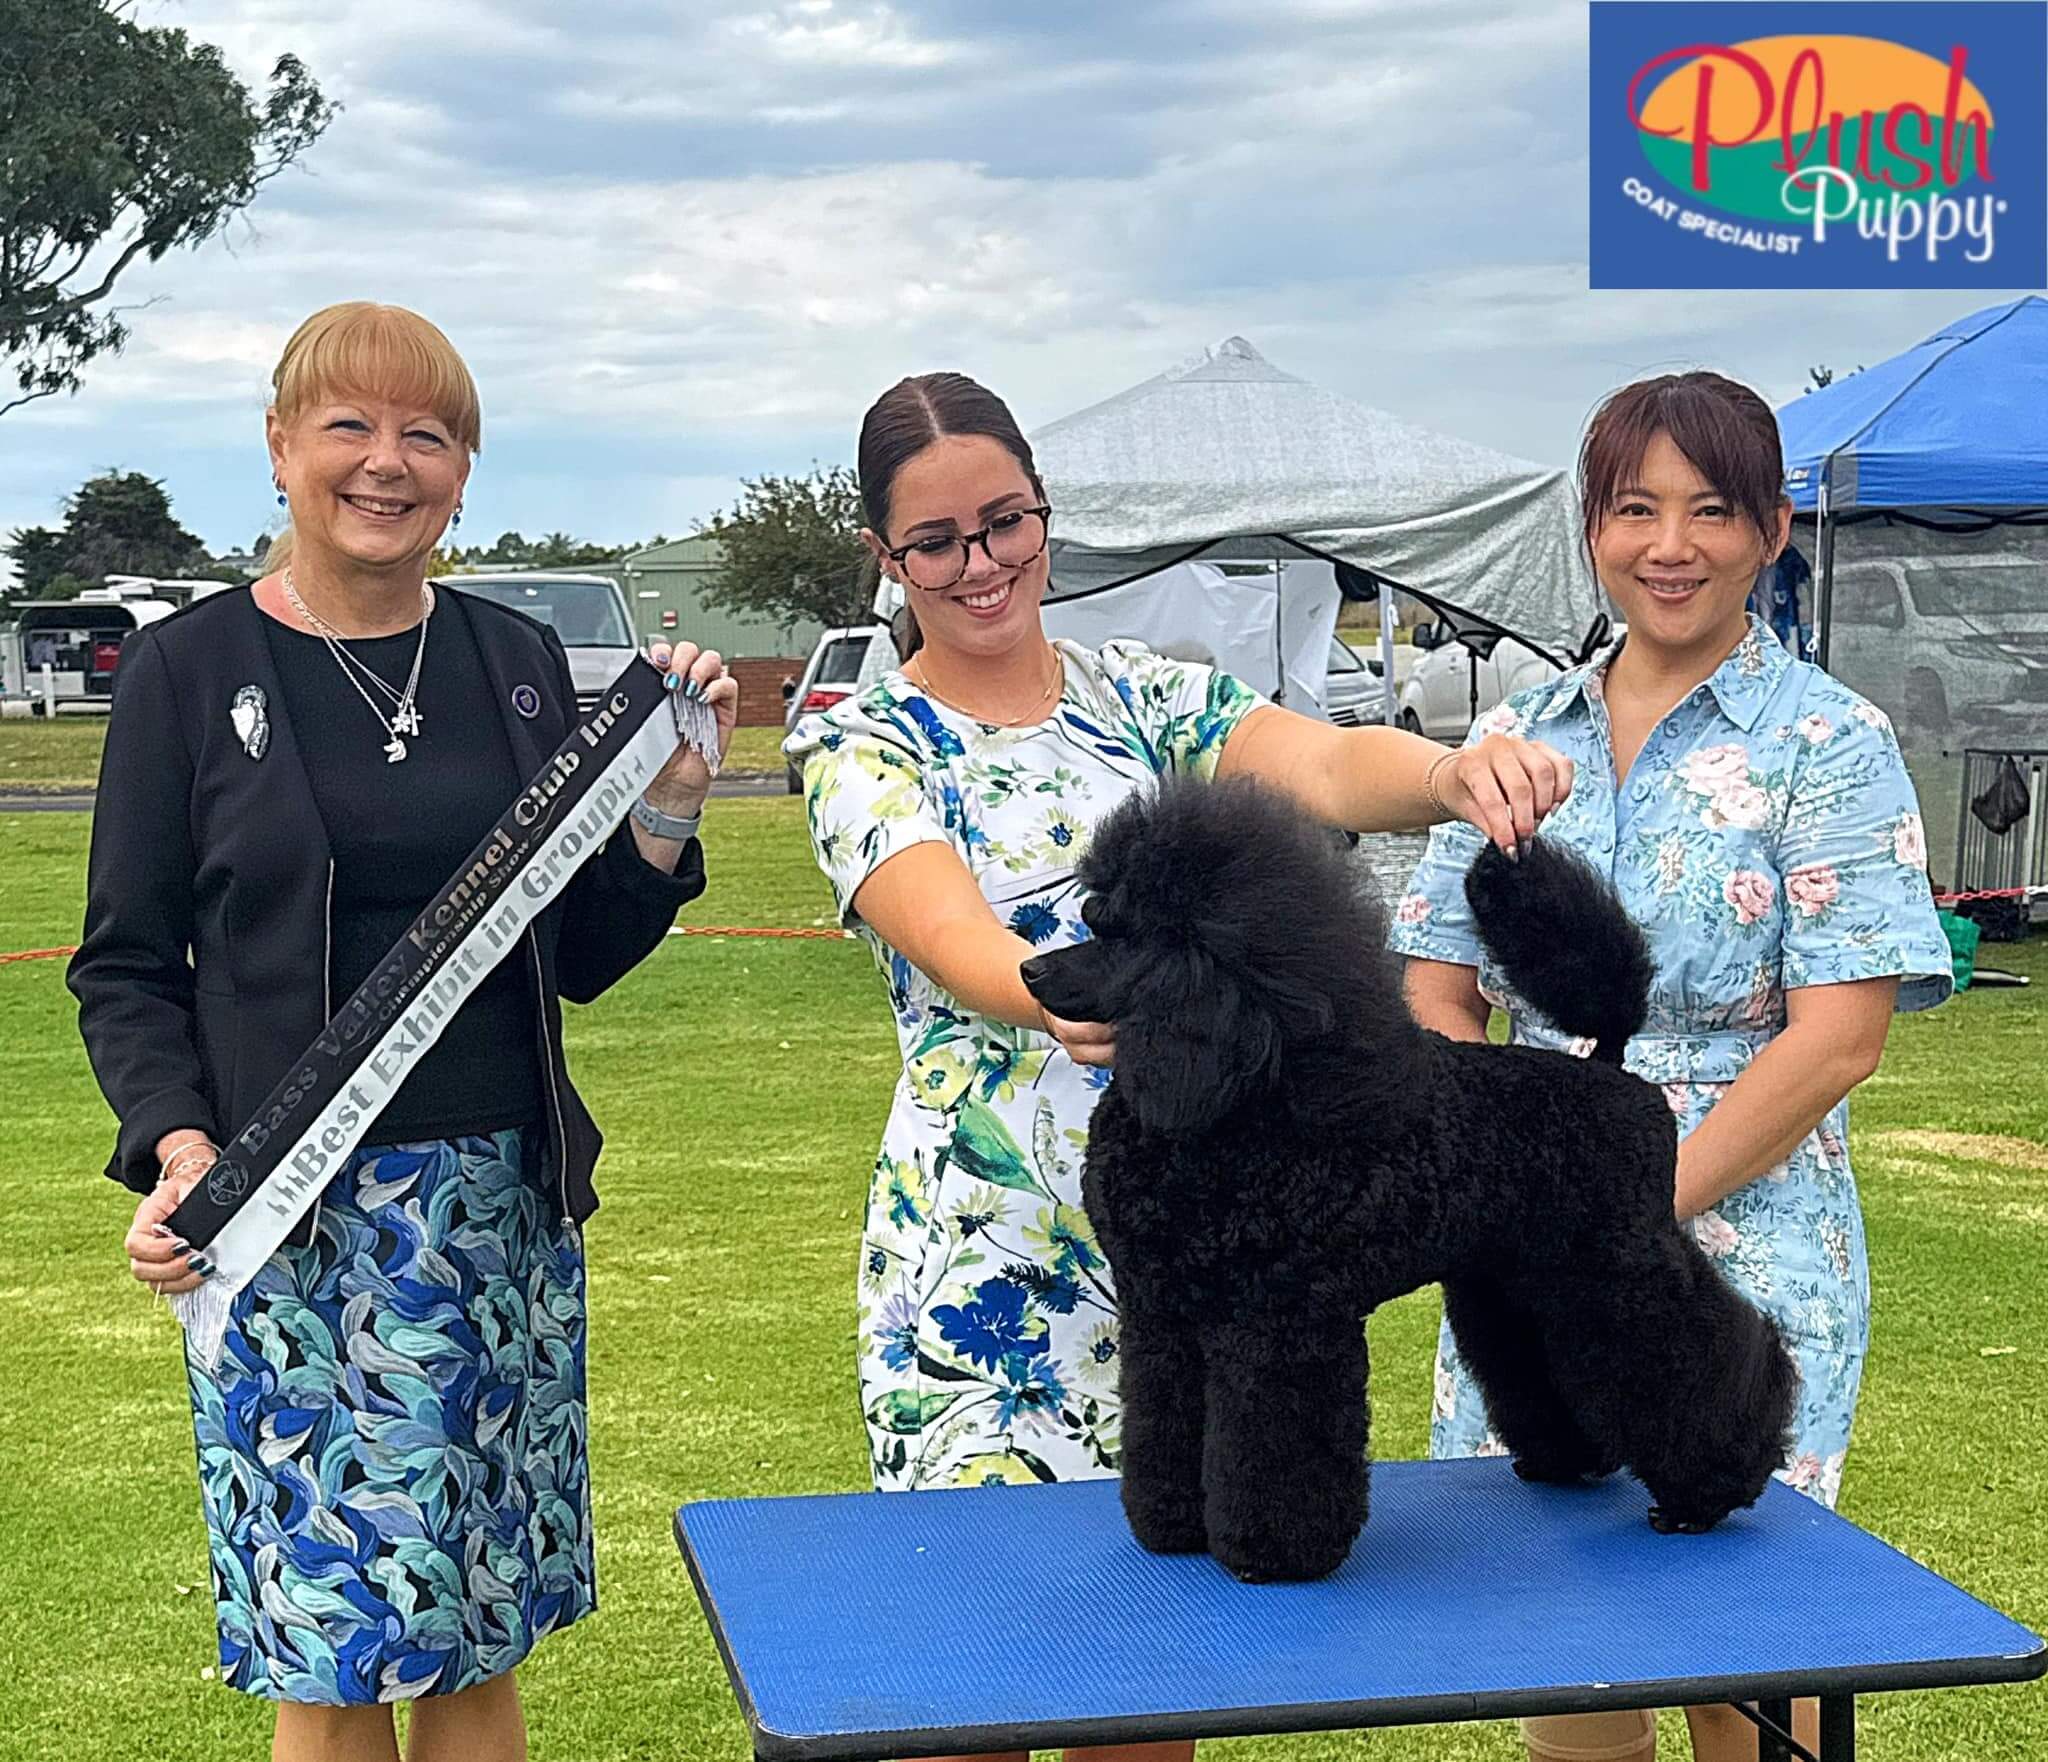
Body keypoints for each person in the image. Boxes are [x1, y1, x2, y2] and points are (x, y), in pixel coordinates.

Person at [785, 370, 1576, 1762]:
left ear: (1043, 511)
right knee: (964, 1712)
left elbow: (1325, 766)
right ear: (886, 556)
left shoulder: (1144, 698)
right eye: (937, 541)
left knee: (1152, 1708)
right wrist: (1061, 998)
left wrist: (1447, 774)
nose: (981, 565)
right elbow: (950, 926)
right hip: (986, 1272)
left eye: (1006, 521)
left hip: (1202, 1259)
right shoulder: (858, 741)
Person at [68, 301, 738, 1762]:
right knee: (328, 1655)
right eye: (349, 426)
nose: (387, 462)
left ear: (465, 468)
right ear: (279, 446)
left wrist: (670, 810)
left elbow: (575, 959)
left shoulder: (510, 660)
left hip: (495, 1218)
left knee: (473, 1647)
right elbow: (125, 966)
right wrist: (180, 1149)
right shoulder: (186, 674)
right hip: (288, 1228)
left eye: (426, 433)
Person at [1389, 371, 1951, 1762]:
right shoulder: (1516, 735)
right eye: (1635, 507)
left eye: (1711, 509)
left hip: (1746, 1237)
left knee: (1744, 1650)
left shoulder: (1833, 742)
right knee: (1561, 1637)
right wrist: (1518, 1181)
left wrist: (1626, 1211)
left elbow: (1840, 1035)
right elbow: (1434, 987)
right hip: (1520, 1237)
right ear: (1593, 527)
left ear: (1770, 528)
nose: (1670, 544)